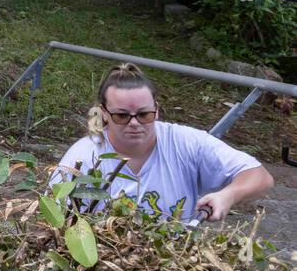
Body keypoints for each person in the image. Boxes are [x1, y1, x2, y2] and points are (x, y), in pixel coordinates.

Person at [48, 63, 273, 222]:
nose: (134, 124)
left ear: (157, 110)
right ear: (104, 113)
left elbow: (260, 176)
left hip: (175, 262)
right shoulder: (82, 158)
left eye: (144, 114)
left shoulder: (185, 142)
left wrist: (228, 195)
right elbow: (54, 220)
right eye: (122, 116)